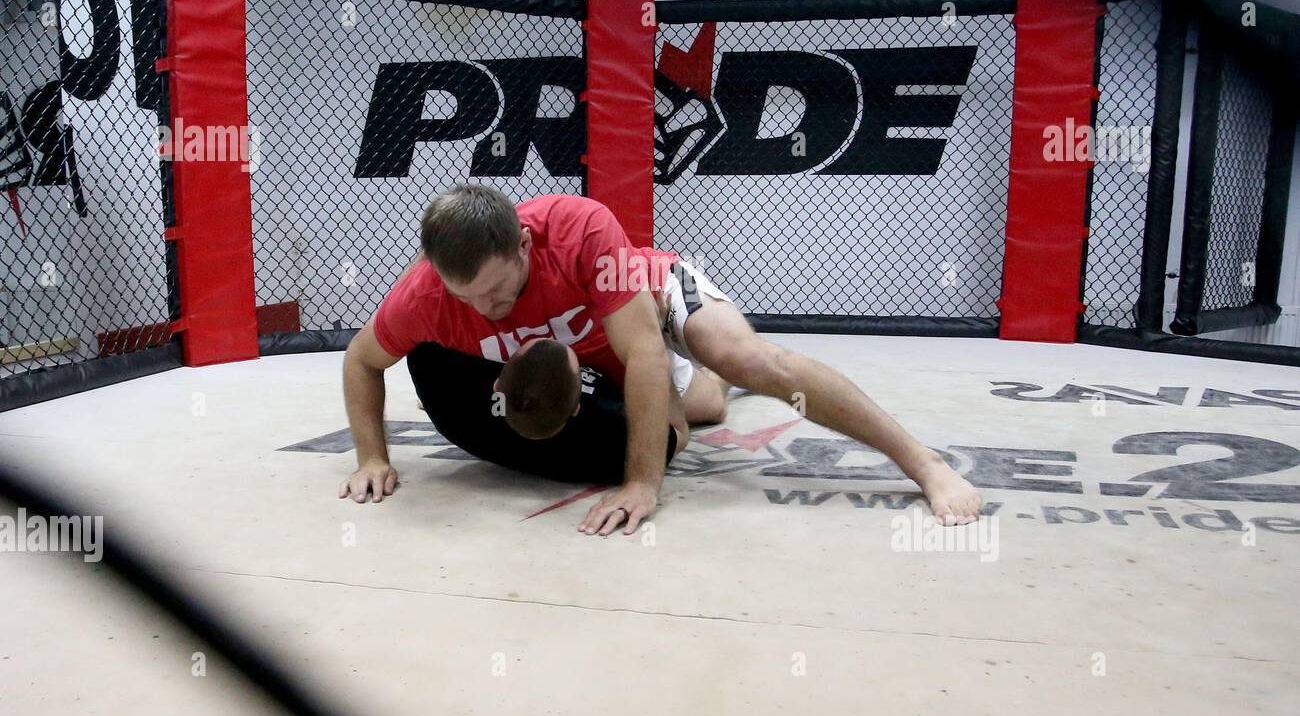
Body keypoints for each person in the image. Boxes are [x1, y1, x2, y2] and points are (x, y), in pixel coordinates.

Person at [341, 184, 983, 535]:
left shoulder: (578, 228)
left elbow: (645, 350)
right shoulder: (423, 297)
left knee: (743, 361)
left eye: (500, 289)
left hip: (644, 306)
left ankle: (923, 464)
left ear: (525, 244)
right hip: (593, 362)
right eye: (469, 299)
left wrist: (643, 482)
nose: (490, 310)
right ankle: (702, 390)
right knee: (701, 407)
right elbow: (360, 360)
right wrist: (373, 455)